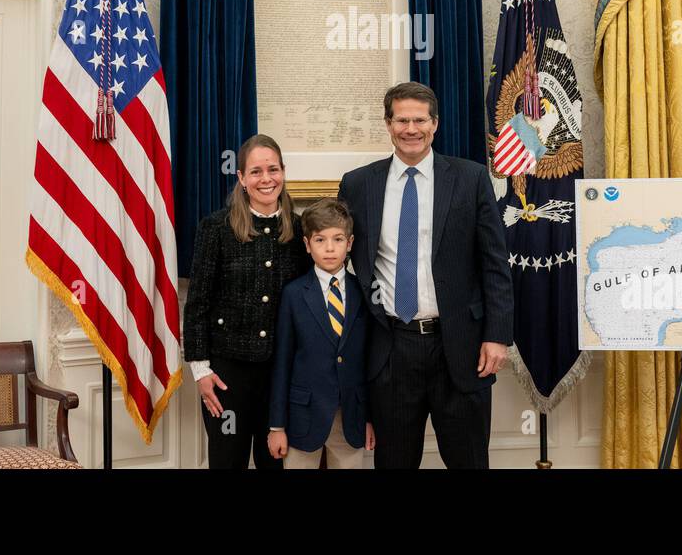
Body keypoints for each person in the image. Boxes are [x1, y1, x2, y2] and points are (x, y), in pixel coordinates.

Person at [337, 81, 513, 469]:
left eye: (420, 120)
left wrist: (497, 335)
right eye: (402, 120)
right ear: (388, 123)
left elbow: (494, 263)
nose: (411, 129)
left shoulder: (470, 178)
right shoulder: (358, 184)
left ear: (435, 124)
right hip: (392, 349)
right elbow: (342, 258)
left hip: (462, 348)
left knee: (468, 462)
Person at [183, 134, 310, 469]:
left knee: (274, 462)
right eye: (255, 172)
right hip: (227, 376)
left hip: (279, 375)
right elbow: (197, 304)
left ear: (283, 172)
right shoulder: (216, 228)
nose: (265, 179)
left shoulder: (300, 231)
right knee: (227, 461)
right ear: (241, 178)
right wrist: (200, 370)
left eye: (272, 169)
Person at [267, 198, 374, 468]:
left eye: (338, 239)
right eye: (319, 240)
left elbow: (371, 361)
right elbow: (282, 362)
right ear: (306, 245)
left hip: (352, 418)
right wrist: (277, 425)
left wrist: (371, 418)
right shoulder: (293, 294)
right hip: (301, 418)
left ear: (349, 243)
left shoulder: (364, 292)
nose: (329, 248)